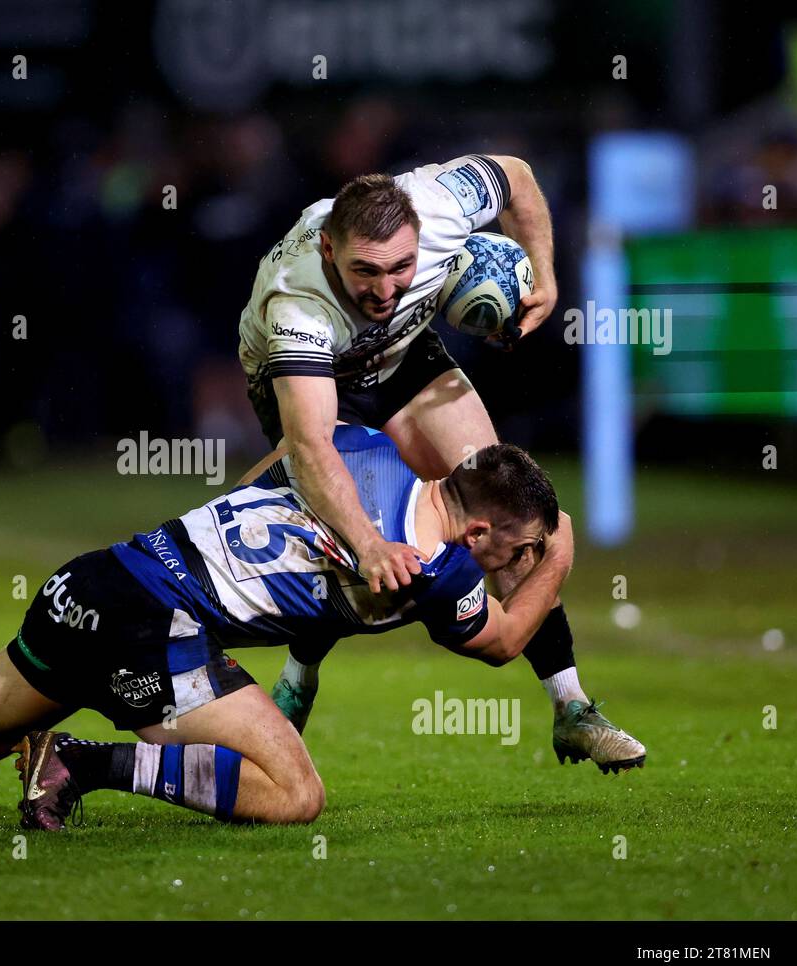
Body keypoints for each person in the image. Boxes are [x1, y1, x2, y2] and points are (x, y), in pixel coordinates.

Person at [0, 431, 611, 833]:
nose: (513, 568)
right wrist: (561, 553)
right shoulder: (436, 568)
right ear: (482, 531)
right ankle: (83, 764)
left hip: (93, 577)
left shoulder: (352, 444)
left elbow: (275, 462)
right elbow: (499, 639)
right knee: (294, 793)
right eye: (512, 551)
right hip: (155, 630)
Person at [238, 154, 644, 770]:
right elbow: (315, 444)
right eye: (365, 272)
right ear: (327, 250)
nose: (384, 289)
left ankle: (573, 709)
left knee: (508, 511)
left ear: (420, 237)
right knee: (345, 541)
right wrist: (370, 542)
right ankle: (300, 675)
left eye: (402, 267)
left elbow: (519, 176)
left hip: (405, 362)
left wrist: (547, 276)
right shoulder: (298, 301)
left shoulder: (439, 202)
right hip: (312, 386)